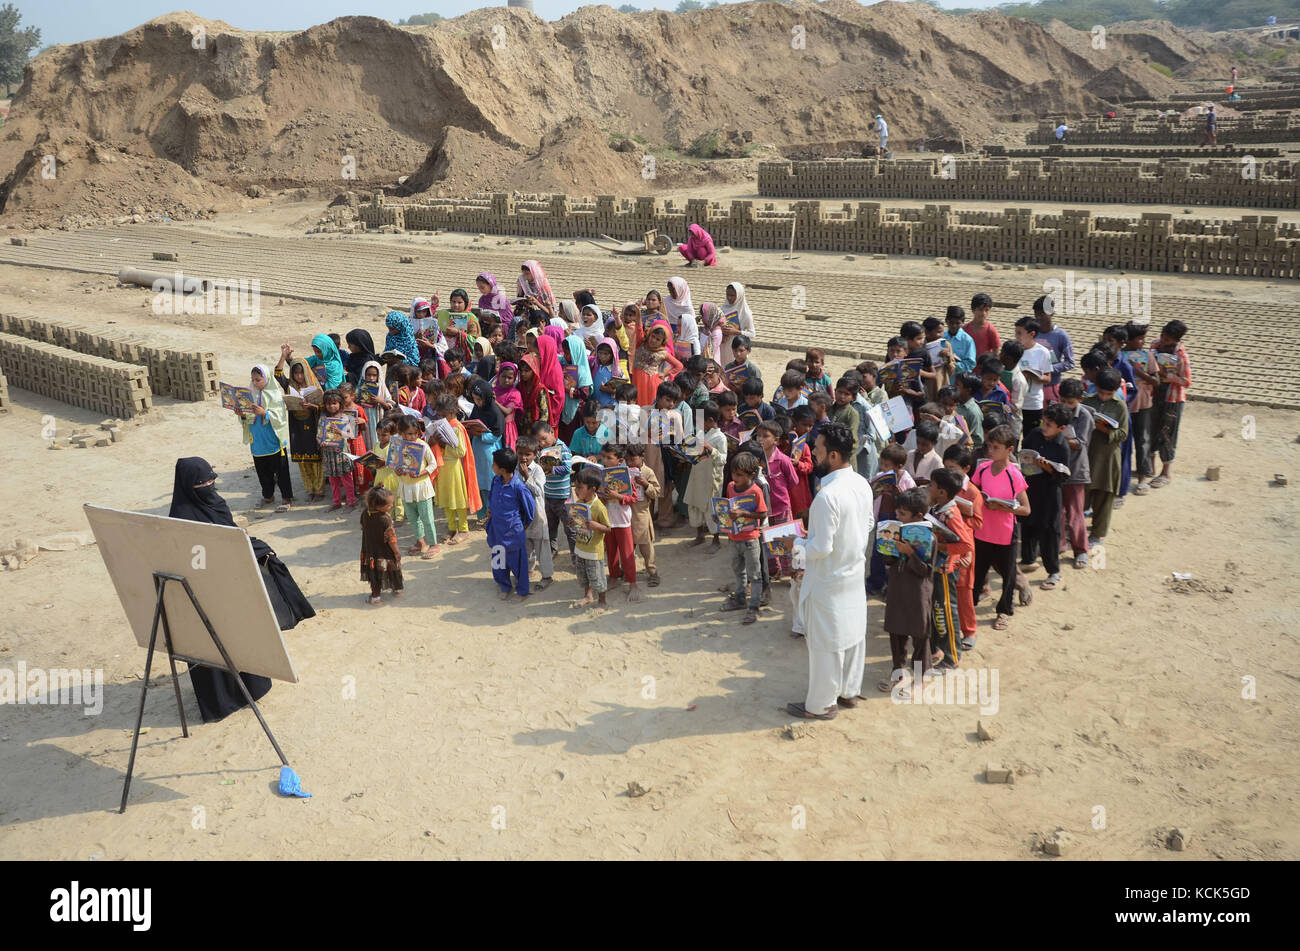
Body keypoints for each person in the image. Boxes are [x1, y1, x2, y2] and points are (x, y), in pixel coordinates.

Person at [167, 457, 314, 722]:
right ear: (190, 486)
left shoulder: (216, 504)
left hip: (230, 588)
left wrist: (258, 547)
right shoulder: (181, 521)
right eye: (203, 483)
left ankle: (253, 688)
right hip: (203, 593)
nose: (210, 486)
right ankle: (221, 703)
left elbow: (233, 536)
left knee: (241, 640)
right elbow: (193, 559)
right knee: (212, 647)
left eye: (212, 480)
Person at [786, 423, 875, 719]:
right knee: (851, 636)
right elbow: (868, 526)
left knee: (825, 644)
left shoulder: (827, 495)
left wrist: (795, 544)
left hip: (827, 578)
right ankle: (848, 691)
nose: (815, 456)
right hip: (852, 572)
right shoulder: (862, 483)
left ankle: (822, 704)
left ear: (834, 456)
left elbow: (821, 547)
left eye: (819, 451)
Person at [970, 424, 1031, 632]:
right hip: (982, 530)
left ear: (1009, 450)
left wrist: (1003, 507)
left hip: (1006, 533)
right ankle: (969, 608)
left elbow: (1026, 509)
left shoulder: (1015, 475)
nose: (990, 451)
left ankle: (1004, 611)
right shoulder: (982, 468)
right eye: (989, 446)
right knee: (977, 572)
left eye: (996, 447)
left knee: (1008, 574)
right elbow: (974, 491)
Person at [877, 486, 934, 696]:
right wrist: (887, 546)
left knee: (920, 634)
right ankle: (898, 671)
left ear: (918, 516)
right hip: (897, 588)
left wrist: (910, 553)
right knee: (896, 630)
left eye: (902, 514)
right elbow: (889, 561)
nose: (897, 517)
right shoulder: (898, 532)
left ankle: (922, 676)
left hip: (918, 593)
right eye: (897, 513)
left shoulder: (930, 539)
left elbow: (926, 570)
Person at [1020, 403, 1071, 590]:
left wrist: (1048, 467)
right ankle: (1028, 559)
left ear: (1061, 428)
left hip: (1050, 493)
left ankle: (1053, 571)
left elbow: (1063, 475)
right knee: (1028, 524)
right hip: (1031, 487)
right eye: (1044, 422)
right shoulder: (1035, 434)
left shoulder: (1062, 446)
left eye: (1049, 425)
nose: (1044, 427)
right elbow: (1024, 451)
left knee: (1049, 531)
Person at [719, 451, 768, 625]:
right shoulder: (731, 487)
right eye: (733, 473)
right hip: (734, 538)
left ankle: (753, 607)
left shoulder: (755, 491)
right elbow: (729, 507)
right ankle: (740, 599)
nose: (735, 477)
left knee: (754, 575)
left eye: (739, 475)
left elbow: (763, 513)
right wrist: (721, 516)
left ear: (751, 475)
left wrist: (743, 513)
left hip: (750, 539)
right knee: (738, 571)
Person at [1084, 368, 1129, 549]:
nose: (1103, 397)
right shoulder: (1088, 401)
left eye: (1108, 394)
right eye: (1101, 392)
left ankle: (1097, 534)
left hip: (1108, 459)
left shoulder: (1120, 406)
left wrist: (1106, 430)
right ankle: (1077, 530)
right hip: (1088, 456)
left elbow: (1123, 433)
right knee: (1082, 495)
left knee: (1104, 496)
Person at [486, 447, 536, 601]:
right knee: (498, 561)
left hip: (513, 532)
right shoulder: (496, 480)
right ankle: (504, 585)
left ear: (502, 469)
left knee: (518, 563)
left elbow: (530, 508)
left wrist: (524, 525)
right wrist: (490, 510)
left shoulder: (518, 487)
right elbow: (492, 496)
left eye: (494, 464)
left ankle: (522, 591)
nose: (492, 466)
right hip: (497, 530)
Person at [1057, 378, 1094, 569]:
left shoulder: (1085, 417)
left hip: (1075, 470)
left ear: (1080, 399)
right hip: (1055, 469)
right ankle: (1060, 544)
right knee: (1058, 510)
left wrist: (1059, 433)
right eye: (1063, 401)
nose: (1066, 406)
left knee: (1075, 513)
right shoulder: (1054, 412)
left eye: (1070, 403)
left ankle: (1081, 550)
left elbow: (1080, 443)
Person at [430, 394, 476, 545]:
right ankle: (451, 528)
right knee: (446, 498)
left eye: (443, 415)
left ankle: (463, 529)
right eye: (438, 414)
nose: (440, 417)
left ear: (452, 412)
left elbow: (461, 451)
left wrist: (444, 446)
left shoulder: (457, 427)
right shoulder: (442, 425)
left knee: (458, 499)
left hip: (454, 467)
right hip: (442, 467)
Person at [1150, 319, 1191, 489]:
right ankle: (1149, 468)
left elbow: (1187, 381)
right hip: (1154, 394)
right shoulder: (1154, 345)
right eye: (1162, 336)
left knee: (1168, 434)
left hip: (1172, 399)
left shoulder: (1181, 355)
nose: (1163, 340)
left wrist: (1168, 376)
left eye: (1167, 339)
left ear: (1176, 340)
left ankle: (1166, 472)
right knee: (1150, 430)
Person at [394, 415, 440, 558]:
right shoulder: (397, 446)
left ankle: (434, 544)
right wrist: (397, 470)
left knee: (427, 518)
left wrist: (421, 473)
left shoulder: (423, 445)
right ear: (401, 433)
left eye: (415, 433)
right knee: (413, 518)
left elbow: (434, 464)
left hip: (422, 487)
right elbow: (395, 466)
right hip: (406, 487)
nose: (413, 436)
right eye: (409, 434)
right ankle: (421, 542)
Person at [569, 468, 612, 610]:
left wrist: (595, 525)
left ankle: (603, 601)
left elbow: (608, 528)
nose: (576, 490)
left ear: (592, 489)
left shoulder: (599, 507)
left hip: (594, 550)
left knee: (597, 577)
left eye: (580, 487)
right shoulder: (579, 503)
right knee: (583, 575)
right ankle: (588, 596)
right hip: (581, 547)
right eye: (576, 486)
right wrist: (571, 522)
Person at [624, 443, 661, 586]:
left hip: (641, 514)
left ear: (641, 457)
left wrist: (646, 484)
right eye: (627, 460)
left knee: (646, 547)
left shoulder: (648, 472)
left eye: (633, 460)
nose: (629, 463)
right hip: (627, 514)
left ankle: (652, 572)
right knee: (628, 547)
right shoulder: (623, 470)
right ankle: (628, 571)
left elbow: (656, 492)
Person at [360, 486, 403, 605]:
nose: (391, 507)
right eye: (389, 505)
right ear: (378, 505)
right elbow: (391, 539)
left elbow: (362, 527)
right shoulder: (386, 519)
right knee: (393, 568)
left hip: (371, 551)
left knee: (375, 575)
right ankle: (398, 590)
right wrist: (396, 552)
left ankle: (375, 598)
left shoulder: (365, 513)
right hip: (387, 551)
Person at [1033, 296, 1074, 405]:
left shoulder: (1061, 336)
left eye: (1042, 314)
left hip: (1051, 386)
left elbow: (1070, 363)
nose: (1038, 318)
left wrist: (1049, 369)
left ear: (1051, 313)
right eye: (1036, 314)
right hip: (1032, 386)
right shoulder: (1032, 333)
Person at [1014, 316, 1053, 431]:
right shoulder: (1013, 349)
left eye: (1020, 333)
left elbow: (1048, 378)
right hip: (1014, 403)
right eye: (1016, 333)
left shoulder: (1043, 352)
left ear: (1032, 334)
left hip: (1032, 404)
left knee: (1030, 438)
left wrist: (1032, 375)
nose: (1016, 337)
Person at [665, 277, 701, 355]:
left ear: (680, 289)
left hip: (683, 333)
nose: (671, 293)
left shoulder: (687, 306)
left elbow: (691, 326)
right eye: (669, 290)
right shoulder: (666, 301)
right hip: (669, 331)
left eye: (673, 290)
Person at [476, 272, 515, 338]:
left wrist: (495, 322)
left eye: (482, 287)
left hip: (500, 328)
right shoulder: (482, 299)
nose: (481, 290)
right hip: (486, 326)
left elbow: (508, 319)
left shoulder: (502, 299)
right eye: (479, 288)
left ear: (491, 285)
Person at [965, 293, 1001, 358]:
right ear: (973, 310)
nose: (983, 313)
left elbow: (996, 352)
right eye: (980, 309)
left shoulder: (991, 330)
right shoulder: (965, 329)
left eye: (986, 310)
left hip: (984, 367)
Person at [943, 306, 977, 376]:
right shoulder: (942, 337)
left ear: (963, 322)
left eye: (957, 323)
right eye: (951, 322)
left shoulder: (968, 340)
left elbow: (970, 364)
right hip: (944, 378)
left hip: (958, 381)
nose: (954, 326)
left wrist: (952, 364)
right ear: (946, 321)